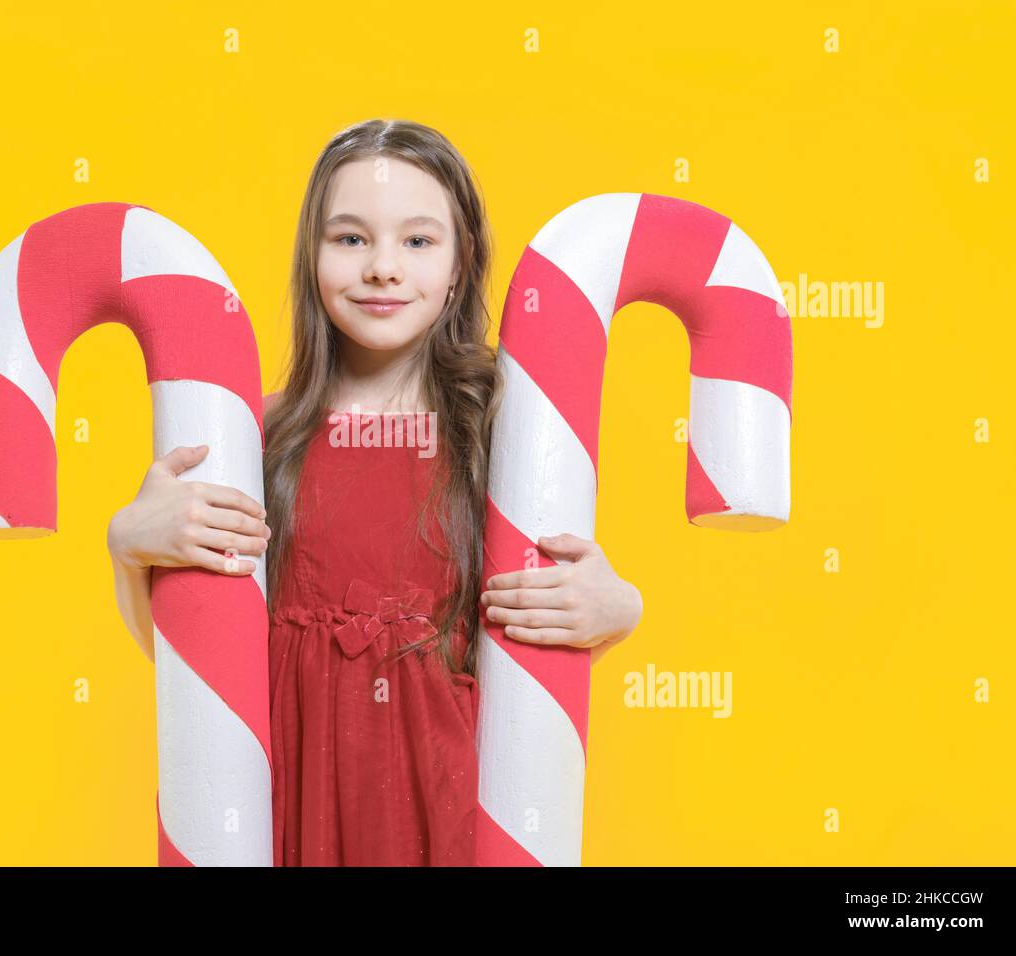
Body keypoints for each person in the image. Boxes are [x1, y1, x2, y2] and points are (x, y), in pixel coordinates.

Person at [106, 119, 643, 866]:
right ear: (312, 257)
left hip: (451, 815)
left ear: (460, 267)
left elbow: (537, 631)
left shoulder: (512, 438)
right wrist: (131, 550)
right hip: (280, 813)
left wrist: (620, 609)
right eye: (350, 239)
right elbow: (192, 663)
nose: (383, 268)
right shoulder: (249, 437)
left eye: (419, 242)